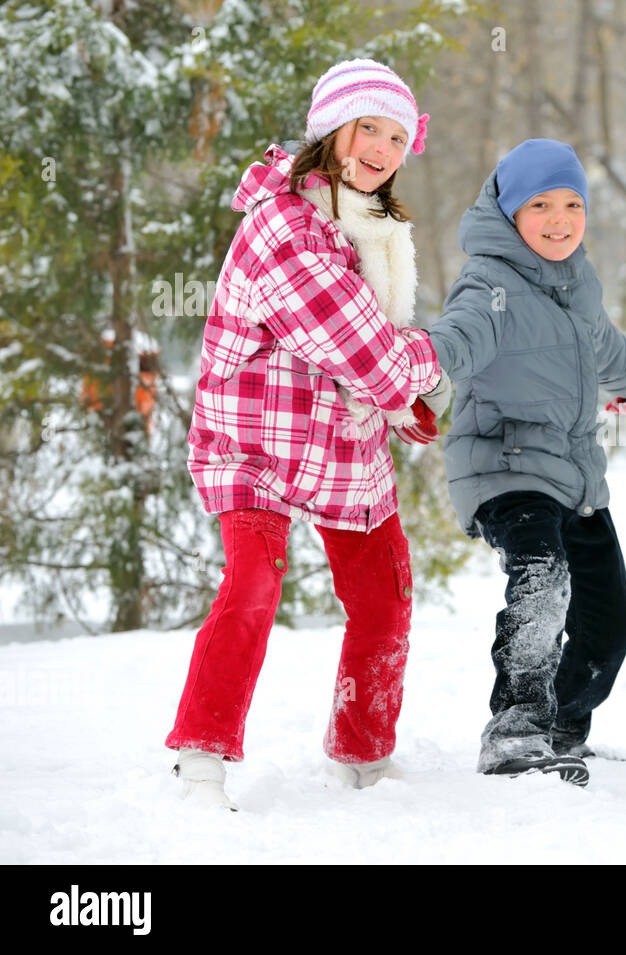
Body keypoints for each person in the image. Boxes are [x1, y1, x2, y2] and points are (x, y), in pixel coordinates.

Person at [166, 60, 443, 810]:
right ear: (331, 132)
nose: (383, 149)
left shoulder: (368, 228)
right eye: (368, 129)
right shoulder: (288, 227)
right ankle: (200, 757)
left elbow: (377, 367)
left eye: (396, 135)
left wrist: (405, 395)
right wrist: (435, 353)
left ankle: (363, 755)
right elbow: (374, 357)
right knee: (254, 584)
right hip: (255, 443)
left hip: (340, 445)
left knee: (385, 593)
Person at [425, 139, 626, 786]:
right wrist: (419, 367)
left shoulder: (577, 279)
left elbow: (603, 343)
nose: (560, 218)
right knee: (543, 577)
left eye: (573, 203)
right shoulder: (490, 281)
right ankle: (515, 732)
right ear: (510, 212)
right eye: (541, 205)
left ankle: (561, 727)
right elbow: (460, 336)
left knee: (610, 620)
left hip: (574, 472)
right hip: (505, 465)